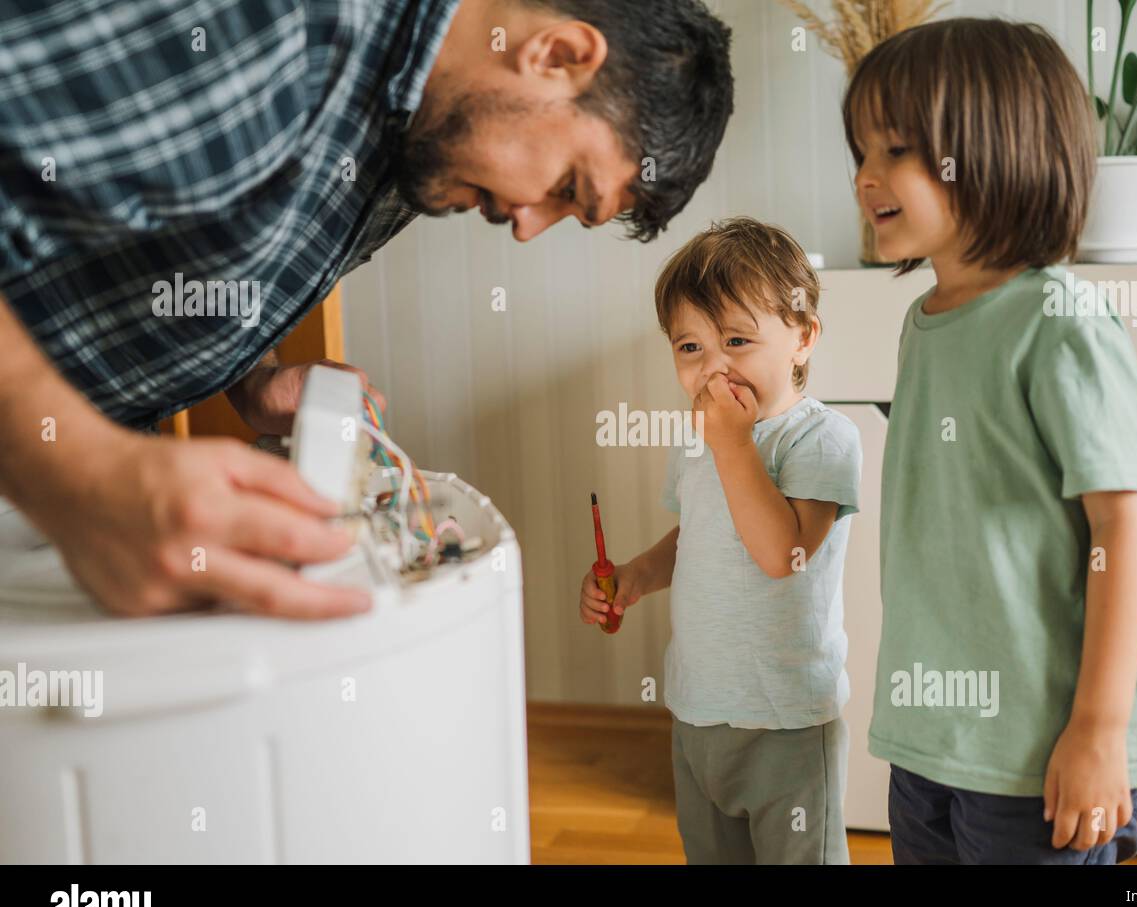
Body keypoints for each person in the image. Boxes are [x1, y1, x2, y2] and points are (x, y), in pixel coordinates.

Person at [0, 0, 734, 618]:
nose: (526, 224)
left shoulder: (419, 148)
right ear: (556, 54)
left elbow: (197, 220)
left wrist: (253, 374)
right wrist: (82, 477)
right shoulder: (271, 26)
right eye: (569, 187)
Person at [842, 18, 1137, 863]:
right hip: (935, 737)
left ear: (993, 152)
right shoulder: (926, 323)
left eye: (895, 151)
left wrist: (1099, 730)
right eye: (861, 152)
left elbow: (1122, 529)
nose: (865, 177)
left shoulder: (1059, 322)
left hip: (1039, 751)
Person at [578, 218, 863, 863]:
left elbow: (780, 554)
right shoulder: (701, 441)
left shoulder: (819, 440)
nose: (714, 369)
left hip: (786, 723)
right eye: (690, 348)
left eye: (737, 340)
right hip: (698, 710)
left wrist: (733, 444)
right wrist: (635, 577)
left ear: (803, 337)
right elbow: (695, 536)